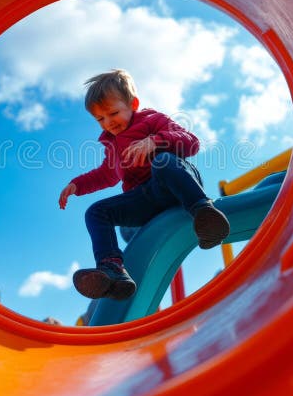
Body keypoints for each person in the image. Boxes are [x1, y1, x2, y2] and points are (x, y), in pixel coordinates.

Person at [59, 69, 230, 301]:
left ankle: (205, 214)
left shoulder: (153, 121)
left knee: (163, 161)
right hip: (146, 200)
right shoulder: (112, 144)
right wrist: (77, 185)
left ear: (133, 104)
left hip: (176, 183)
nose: (108, 123)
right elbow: (107, 176)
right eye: (100, 119)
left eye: (113, 113)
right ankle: (113, 270)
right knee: (96, 212)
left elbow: (192, 143)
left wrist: (155, 142)